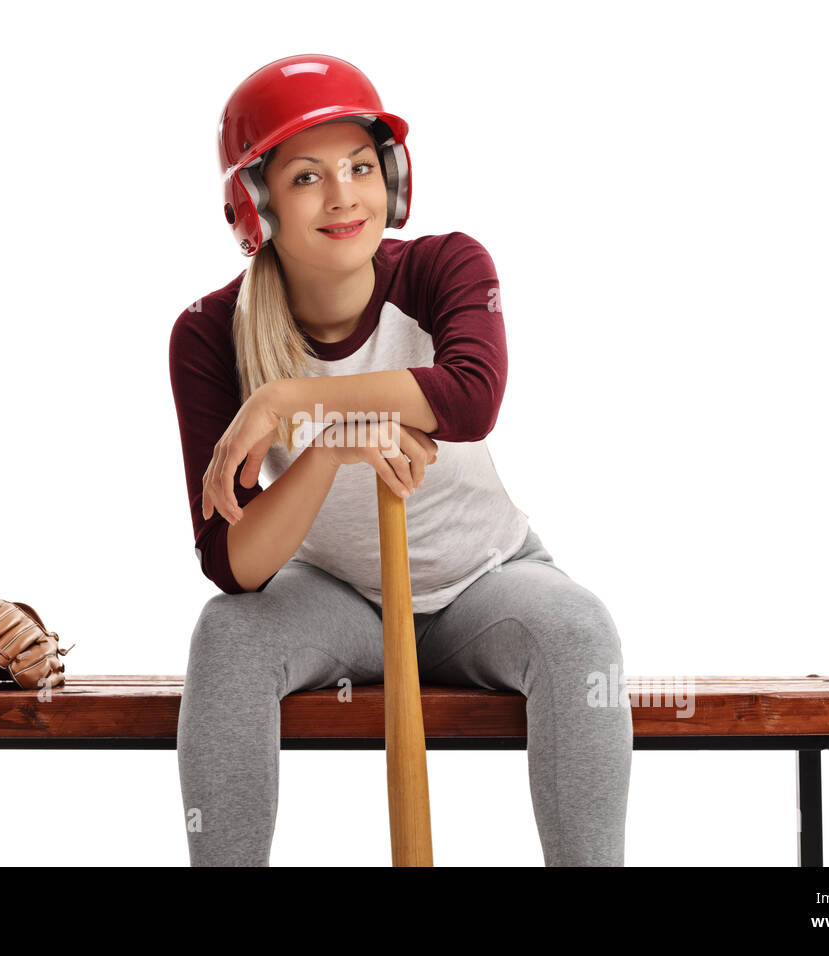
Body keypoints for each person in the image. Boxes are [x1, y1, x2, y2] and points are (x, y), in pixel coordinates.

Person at [168, 53, 632, 866]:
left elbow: (468, 397)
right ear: (257, 203)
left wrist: (289, 403)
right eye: (307, 176)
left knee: (578, 630)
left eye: (359, 166)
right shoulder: (210, 334)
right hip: (337, 596)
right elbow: (235, 563)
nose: (345, 194)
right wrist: (329, 451)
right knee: (228, 635)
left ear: (394, 177)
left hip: (484, 582)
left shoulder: (446, 265)